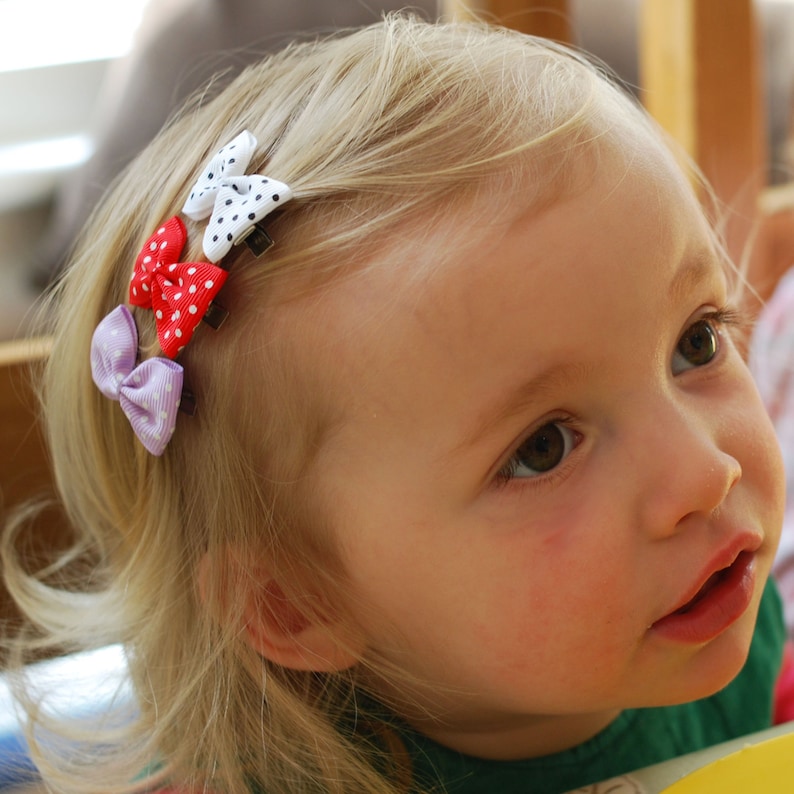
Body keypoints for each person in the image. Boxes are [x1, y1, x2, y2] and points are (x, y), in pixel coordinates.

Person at [1, 14, 787, 794]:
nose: (704, 473)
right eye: (543, 447)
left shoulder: (721, 598)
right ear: (297, 605)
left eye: (696, 342)